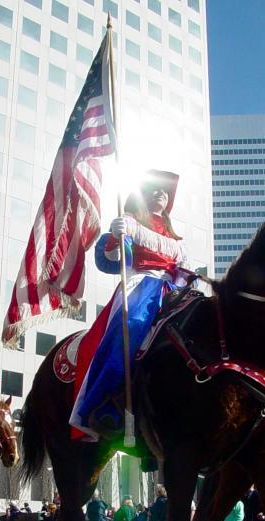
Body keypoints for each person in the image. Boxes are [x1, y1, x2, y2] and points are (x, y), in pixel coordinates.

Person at [70, 170, 188, 441]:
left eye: (165, 193)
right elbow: (109, 260)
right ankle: (106, 402)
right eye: (156, 190)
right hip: (141, 285)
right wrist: (115, 236)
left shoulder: (175, 239)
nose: (161, 194)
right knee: (131, 328)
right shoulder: (130, 222)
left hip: (173, 289)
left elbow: (182, 271)